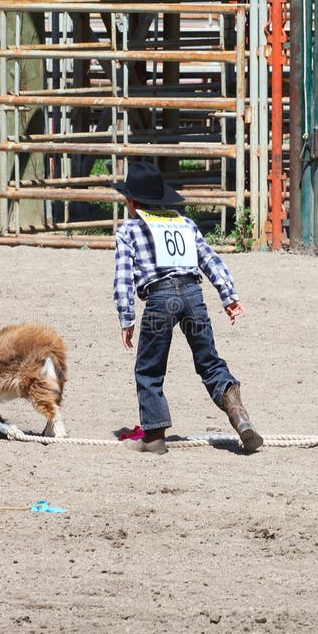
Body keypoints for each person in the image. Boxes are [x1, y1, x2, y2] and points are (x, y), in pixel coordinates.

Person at [112, 160, 263, 455]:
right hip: (194, 296)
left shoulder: (128, 230)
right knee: (209, 362)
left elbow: (122, 279)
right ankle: (236, 410)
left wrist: (126, 316)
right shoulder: (185, 223)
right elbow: (210, 259)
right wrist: (228, 296)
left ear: (131, 202)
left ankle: (154, 435)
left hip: (159, 299)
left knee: (149, 368)